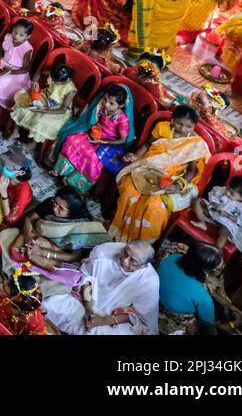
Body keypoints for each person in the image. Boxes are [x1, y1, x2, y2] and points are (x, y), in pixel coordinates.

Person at [111, 103, 210, 243]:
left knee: (154, 206)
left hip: (169, 178)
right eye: (180, 124)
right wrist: (135, 156)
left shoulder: (195, 143)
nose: (183, 129)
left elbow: (192, 171)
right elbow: (146, 145)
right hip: (146, 168)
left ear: (194, 126)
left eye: (189, 126)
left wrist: (177, 185)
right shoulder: (162, 127)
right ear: (173, 120)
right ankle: (121, 232)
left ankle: (143, 242)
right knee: (128, 191)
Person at [43, 240, 159, 335]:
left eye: (132, 261)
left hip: (114, 319)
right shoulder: (106, 251)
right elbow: (86, 279)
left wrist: (102, 321)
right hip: (85, 302)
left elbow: (138, 317)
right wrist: (89, 309)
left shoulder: (149, 282)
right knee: (51, 304)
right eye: (125, 252)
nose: (124, 259)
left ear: (143, 266)